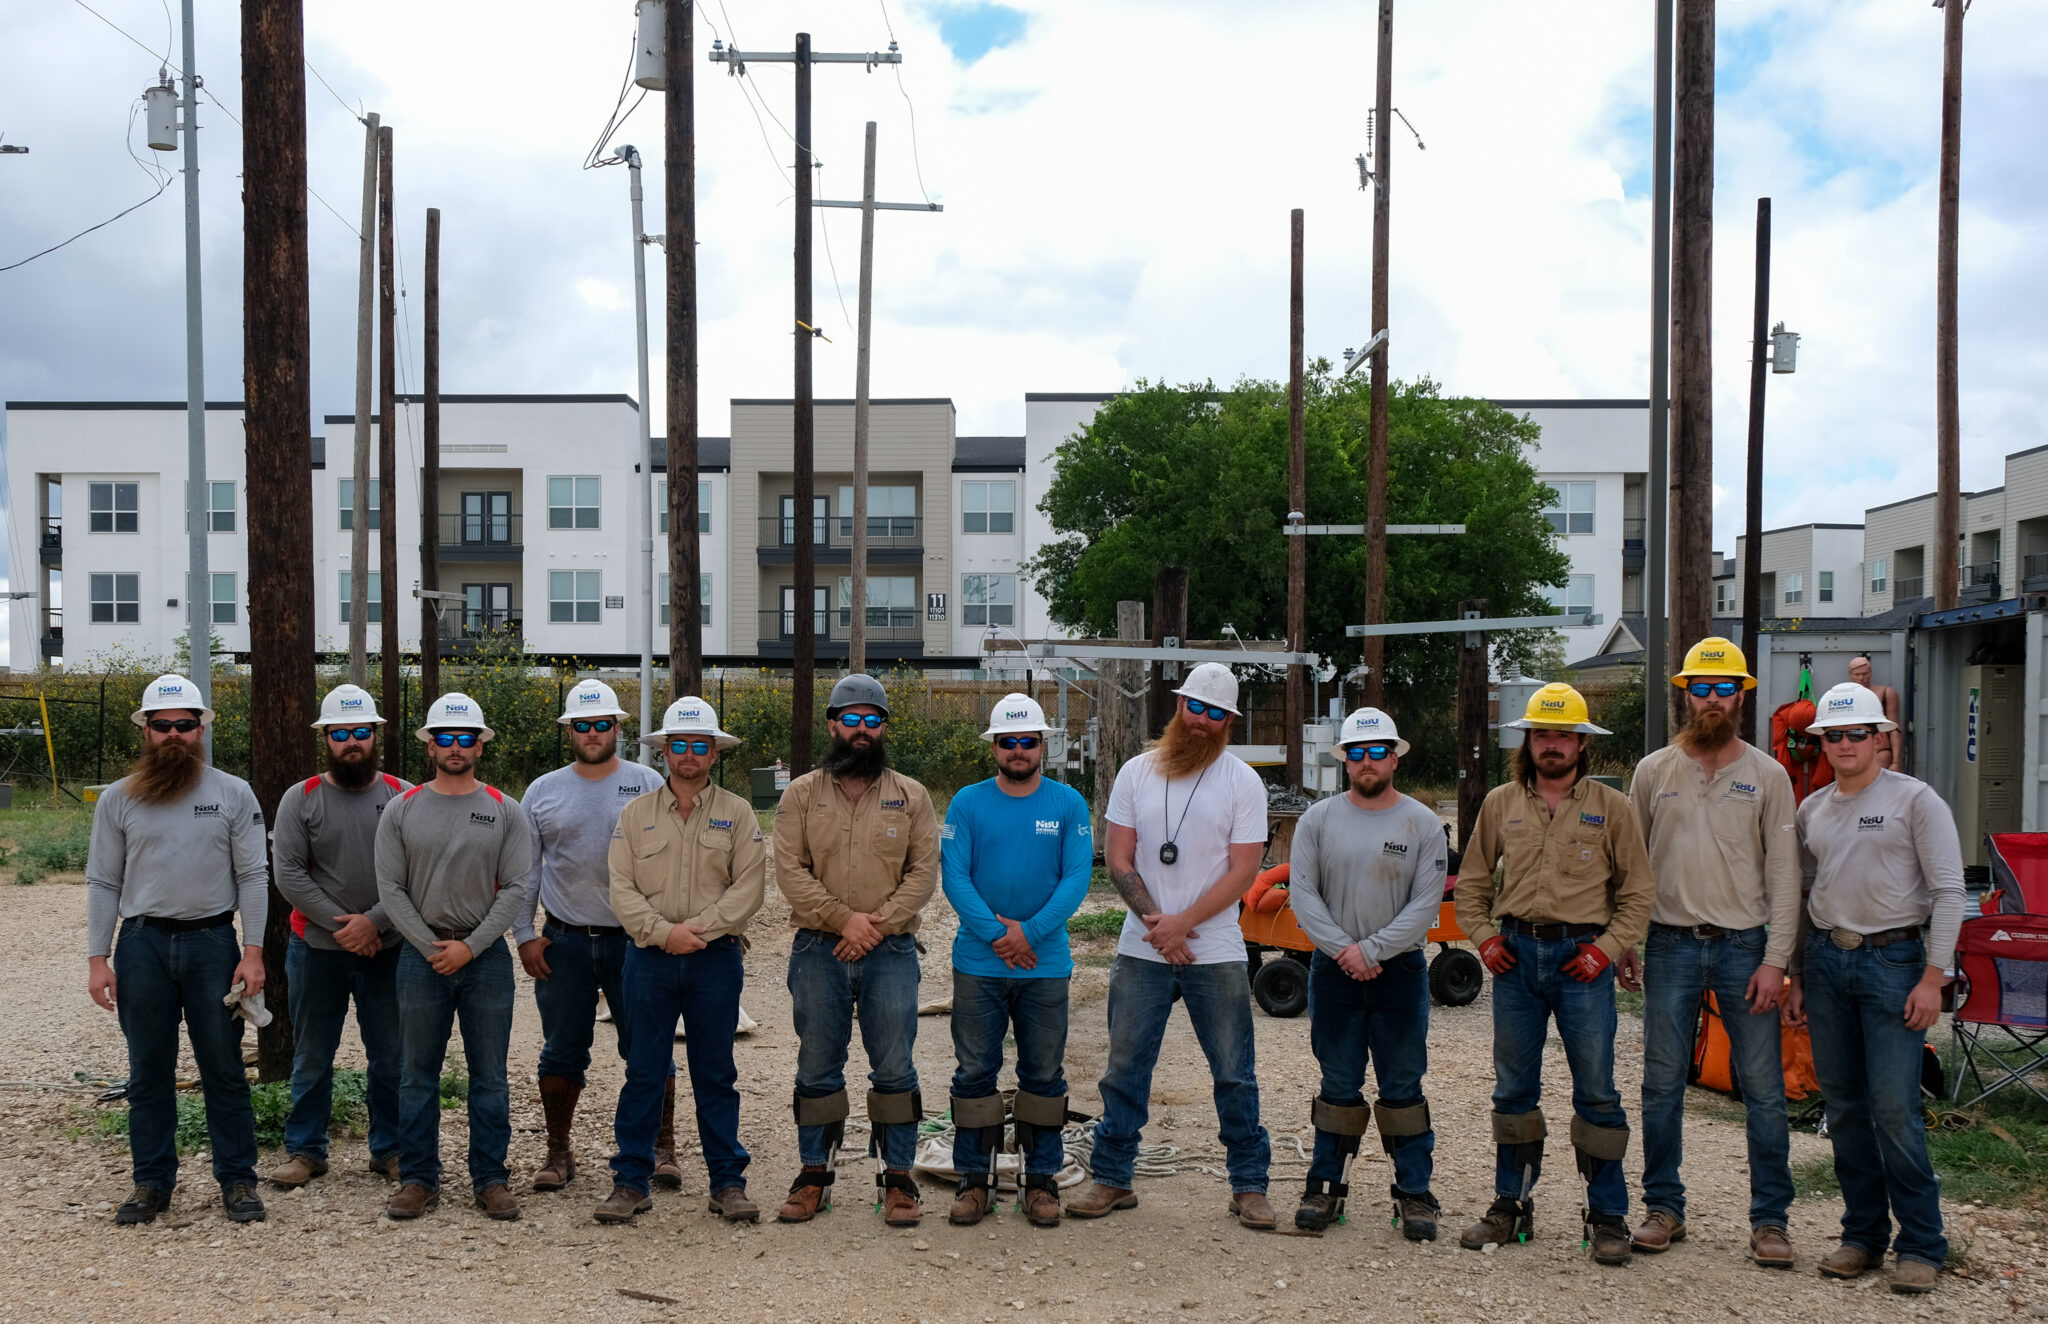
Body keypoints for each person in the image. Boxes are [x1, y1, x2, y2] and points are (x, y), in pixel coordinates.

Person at [1068, 662, 1276, 1230]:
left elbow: (1244, 871)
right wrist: (1161, 925)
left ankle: (1249, 1186)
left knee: (1234, 1072)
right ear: (1179, 707)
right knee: (1126, 1068)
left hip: (1216, 949)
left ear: (1228, 720)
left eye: (1216, 713)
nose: (1203, 720)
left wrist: (1183, 924)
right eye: (1195, 707)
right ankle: (1112, 1179)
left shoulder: (1243, 782)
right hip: (1143, 947)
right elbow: (1118, 858)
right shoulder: (1136, 773)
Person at [1453, 682, 1653, 1265]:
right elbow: (1470, 886)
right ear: (1529, 740)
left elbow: (1638, 892)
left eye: (1564, 734)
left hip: (1582, 962)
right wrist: (1486, 939)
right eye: (1543, 733)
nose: (1553, 745)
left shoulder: (1612, 808)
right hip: (1515, 958)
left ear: (1582, 742)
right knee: (1513, 1087)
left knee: (1597, 1090)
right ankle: (1510, 1206)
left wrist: (1609, 948)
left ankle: (1608, 1216)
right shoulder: (1500, 803)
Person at [1621, 640, 1800, 1267]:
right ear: (1685, 693)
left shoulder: (1768, 775)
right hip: (1669, 942)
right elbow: (1635, 868)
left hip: (1745, 947)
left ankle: (1770, 1220)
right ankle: (1663, 1208)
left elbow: (1785, 875)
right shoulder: (1653, 771)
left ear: (1742, 695)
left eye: (1725, 688)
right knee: (1661, 1084)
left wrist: (1777, 960)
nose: (1713, 698)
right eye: (1702, 687)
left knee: (1763, 1088)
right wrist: (1629, 940)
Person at [1784, 682, 1963, 1295]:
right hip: (1829, 962)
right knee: (1846, 1109)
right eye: (1832, 736)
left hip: (1895, 962)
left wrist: (1934, 978)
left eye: (1855, 733)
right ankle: (1862, 1235)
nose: (1843, 744)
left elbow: (1948, 893)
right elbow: (1806, 895)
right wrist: (1799, 975)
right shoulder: (1813, 809)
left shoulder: (1917, 801)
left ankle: (1921, 1242)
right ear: (1821, 743)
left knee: (1894, 1110)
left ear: (1880, 737)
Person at [85, 674, 270, 1226]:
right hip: (141, 944)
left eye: (185, 726)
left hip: (213, 942)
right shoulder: (118, 799)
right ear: (145, 730)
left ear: (200, 730)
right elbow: (102, 882)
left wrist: (253, 951)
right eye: (162, 726)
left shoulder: (232, 793)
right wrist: (98, 959)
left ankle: (237, 1180)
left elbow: (254, 875)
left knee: (223, 1067)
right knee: (147, 1071)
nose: (173, 736)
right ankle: (151, 1183)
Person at [772, 674, 941, 1226]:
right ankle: (814, 1174)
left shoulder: (911, 796)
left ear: (884, 727)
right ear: (833, 726)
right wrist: (845, 921)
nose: (862, 730)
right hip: (819, 950)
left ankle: (898, 1178)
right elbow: (790, 872)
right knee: (818, 1064)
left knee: (894, 1066)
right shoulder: (800, 794)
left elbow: (922, 873)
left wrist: (875, 926)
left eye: (872, 720)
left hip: (891, 953)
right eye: (852, 720)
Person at [594, 696, 767, 1225]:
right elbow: (620, 887)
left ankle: (727, 1182)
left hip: (715, 962)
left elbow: (751, 887)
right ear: (664, 751)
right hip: (648, 961)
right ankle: (630, 1181)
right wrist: (663, 933)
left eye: (699, 746)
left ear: (714, 753)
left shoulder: (737, 813)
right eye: (679, 746)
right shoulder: (635, 814)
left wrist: (701, 933)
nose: (688, 756)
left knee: (716, 1072)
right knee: (644, 1070)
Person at [1285, 707, 1447, 1238]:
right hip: (1335, 973)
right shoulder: (1317, 820)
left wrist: (1373, 950)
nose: (1368, 761)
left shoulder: (1422, 823)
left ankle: (1415, 1194)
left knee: (1403, 1085)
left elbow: (1426, 905)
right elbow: (1303, 895)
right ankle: (1324, 1188)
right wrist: (1344, 950)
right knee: (1337, 1083)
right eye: (1357, 752)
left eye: (1378, 752)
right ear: (1344, 761)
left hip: (1398, 973)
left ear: (1395, 757)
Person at [375, 692, 536, 1222]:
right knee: (415, 1073)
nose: (455, 747)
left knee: (488, 1074)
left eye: (466, 738)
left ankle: (490, 1179)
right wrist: (429, 946)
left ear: (480, 746)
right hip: (421, 959)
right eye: (444, 737)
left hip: (484, 956)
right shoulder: (401, 810)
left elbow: (516, 887)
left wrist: (471, 946)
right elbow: (391, 889)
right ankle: (419, 1178)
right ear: (429, 746)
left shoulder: (504, 810)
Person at [940, 694, 1093, 1228]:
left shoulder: (1069, 804)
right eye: (1010, 742)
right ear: (995, 747)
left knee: (1043, 1076)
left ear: (1043, 745)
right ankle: (973, 1181)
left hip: (1045, 966)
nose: (1020, 750)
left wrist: (1029, 932)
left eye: (1030, 741)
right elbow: (954, 877)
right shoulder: (967, 803)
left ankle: (1042, 1181)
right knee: (975, 1073)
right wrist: (998, 934)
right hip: (980, 966)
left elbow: (1076, 879)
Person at [514, 680, 667, 1195]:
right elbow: (526, 870)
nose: (594, 733)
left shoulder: (648, 782)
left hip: (636, 941)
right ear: (570, 731)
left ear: (618, 728)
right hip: (565, 939)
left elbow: (669, 861)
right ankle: (559, 1154)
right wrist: (524, 934)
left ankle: (661, 1149)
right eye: (584, 725)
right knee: (561, 1050)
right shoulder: (542, 791)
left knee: (648, 1048)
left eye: (604, 724)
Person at [268, 683, 411, 1190]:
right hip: (317, 951)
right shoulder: (300, 798)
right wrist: (346, 927)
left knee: (391, 1055)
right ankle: (306, 1151)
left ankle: (389, 1149)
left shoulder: (401, 794)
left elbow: (414, 873)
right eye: (341, 734)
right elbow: (288, 874)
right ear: (325, 739)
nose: (352, 742)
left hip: (389, 948)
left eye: (361, 733)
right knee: (312, 1053)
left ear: (376, 736)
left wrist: (376, 921)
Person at [1846, 657, 1902, 770]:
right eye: (1857, 674)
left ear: (1870, 673)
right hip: (1853, 750)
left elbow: (1894, 729)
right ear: (1850, 674)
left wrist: (1896, 761)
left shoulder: (1885, 692)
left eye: (1864, 673)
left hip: (1880, 750)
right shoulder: (1844, 696)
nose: (1861, 678)